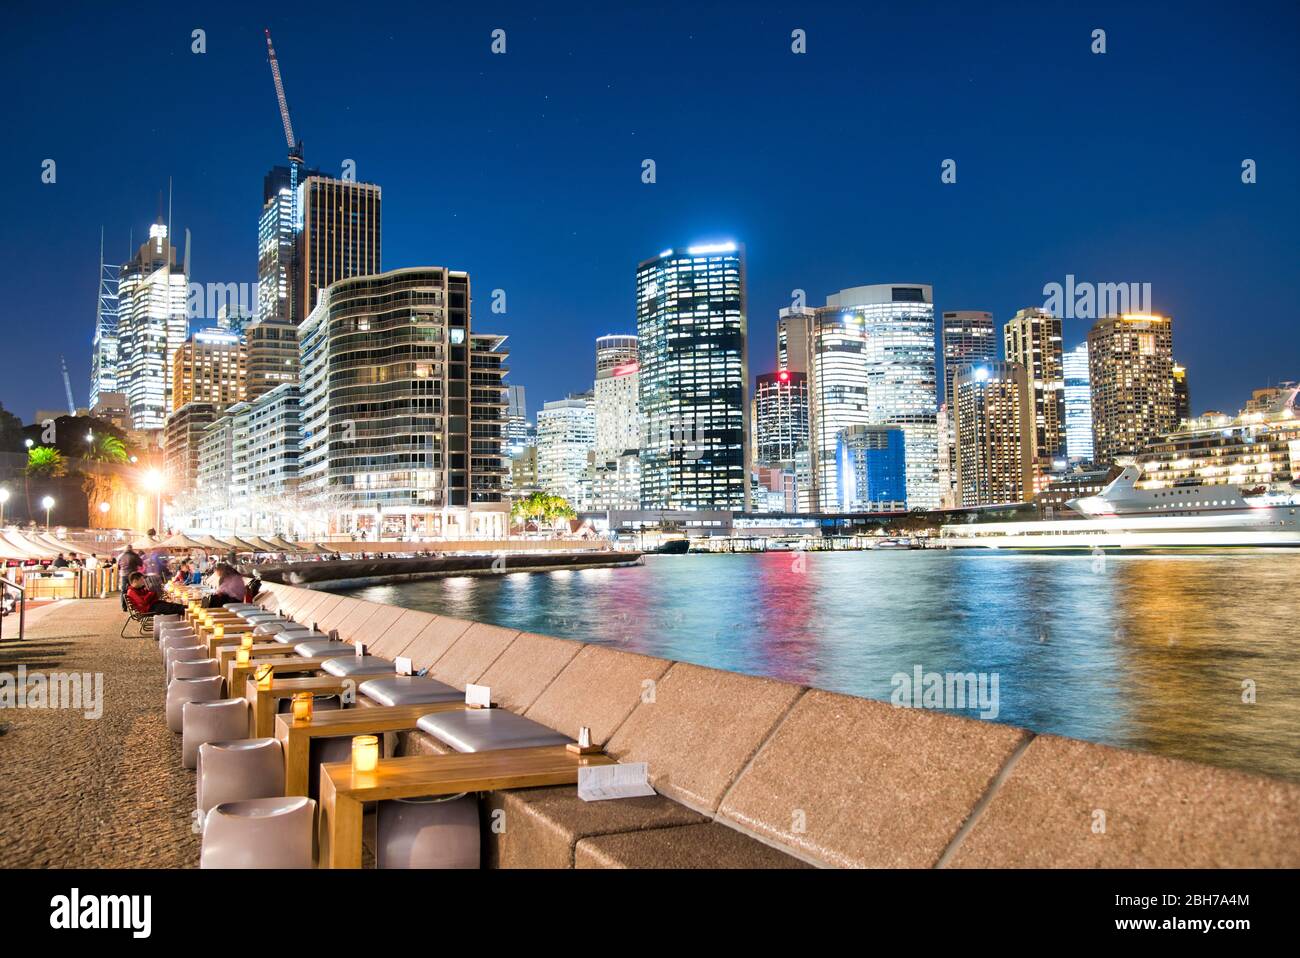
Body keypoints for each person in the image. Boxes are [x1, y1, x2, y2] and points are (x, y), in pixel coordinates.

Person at [118, 545, 143, 610]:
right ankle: (133, 606)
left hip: (123, 574)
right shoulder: (134, 555)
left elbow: (118, 566)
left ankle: (124, 606)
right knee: (133, 590)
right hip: (132, 575)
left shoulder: (121, 556)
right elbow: (140, 563)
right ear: (131, 549)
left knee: (123, 590)